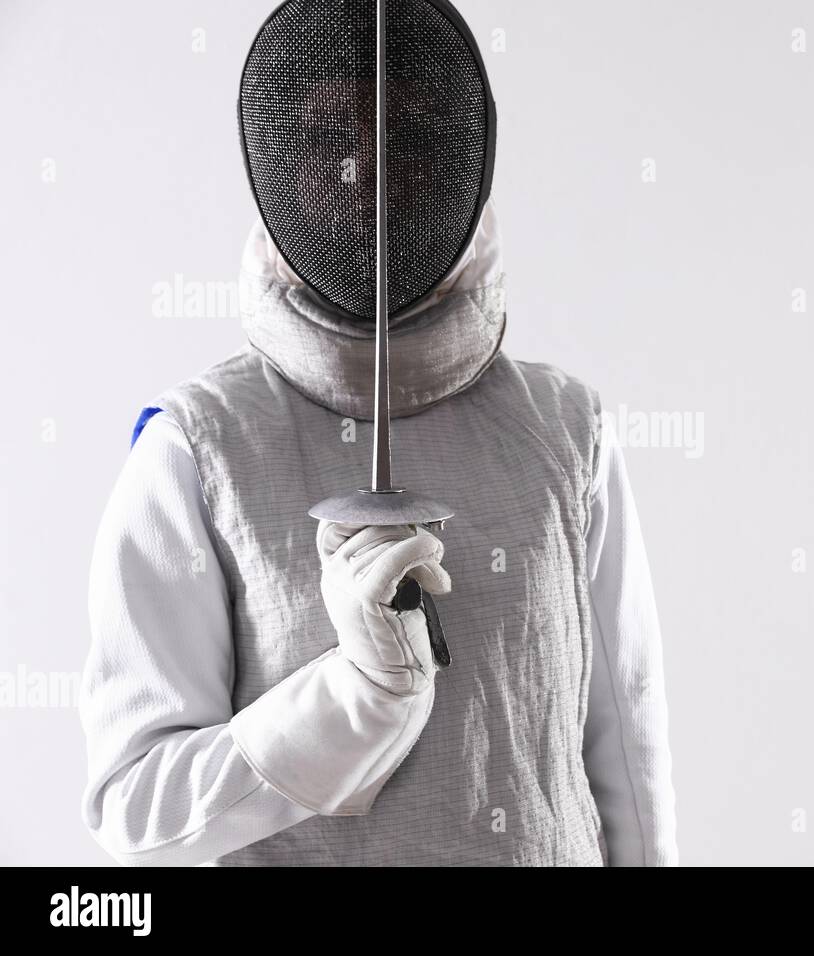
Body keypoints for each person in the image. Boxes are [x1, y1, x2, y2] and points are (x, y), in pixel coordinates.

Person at [78, 187, 678, 865]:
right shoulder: (199, 444)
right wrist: (357, 698)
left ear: (466, 154)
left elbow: (627, 739)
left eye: (408, 131)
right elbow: (137, 810)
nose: (363, 170)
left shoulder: (566, 427)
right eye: (326, 132)